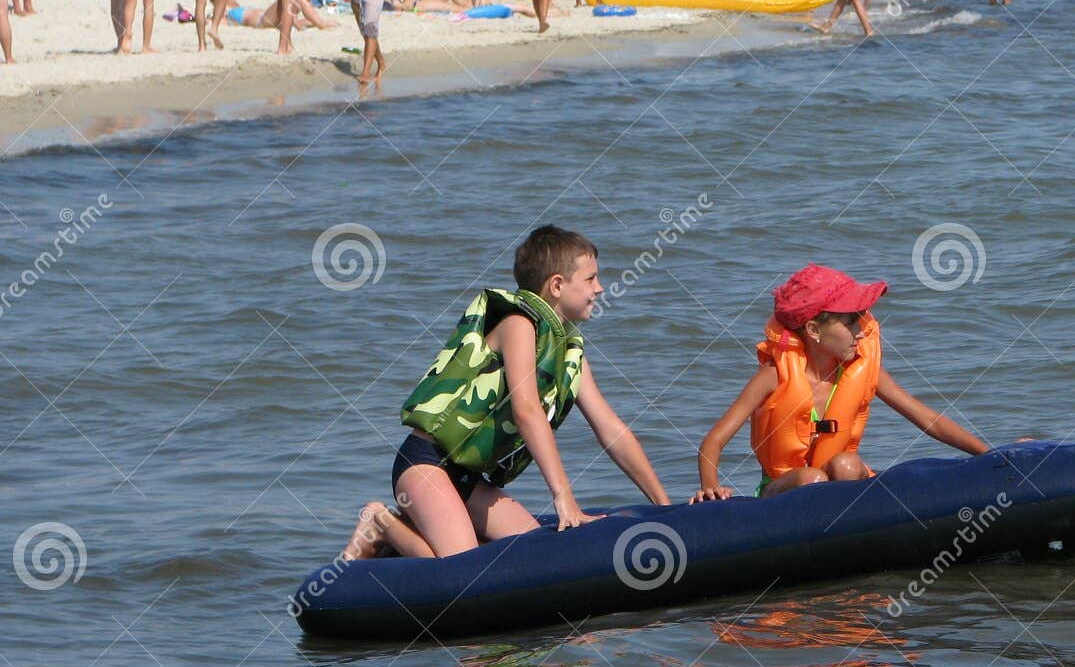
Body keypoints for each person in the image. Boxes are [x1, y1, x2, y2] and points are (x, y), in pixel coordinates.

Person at [338, 225, 671, 561]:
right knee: (463, 566)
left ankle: (421, 529)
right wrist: (563, 498)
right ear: (557, 285)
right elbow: (527, 411)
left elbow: (611, 430)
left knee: (533, 552)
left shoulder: (570, 355)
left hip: (465, 478)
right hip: (426, 462)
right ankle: (382, 522)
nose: (600, 289)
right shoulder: (518, 326)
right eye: (590, 279)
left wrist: (666, 507)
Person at [690, 265, 988, 502]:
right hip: (781, 489)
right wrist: (710, 486)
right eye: (849, 323)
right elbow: (713, 441)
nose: (861, 332)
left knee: (846, 463)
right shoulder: (773, 377)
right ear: (813, 330)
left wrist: (987, 455)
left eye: (860, 320)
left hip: (843, 479)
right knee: (811, 478)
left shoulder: (860, 370)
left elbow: (929, 420)